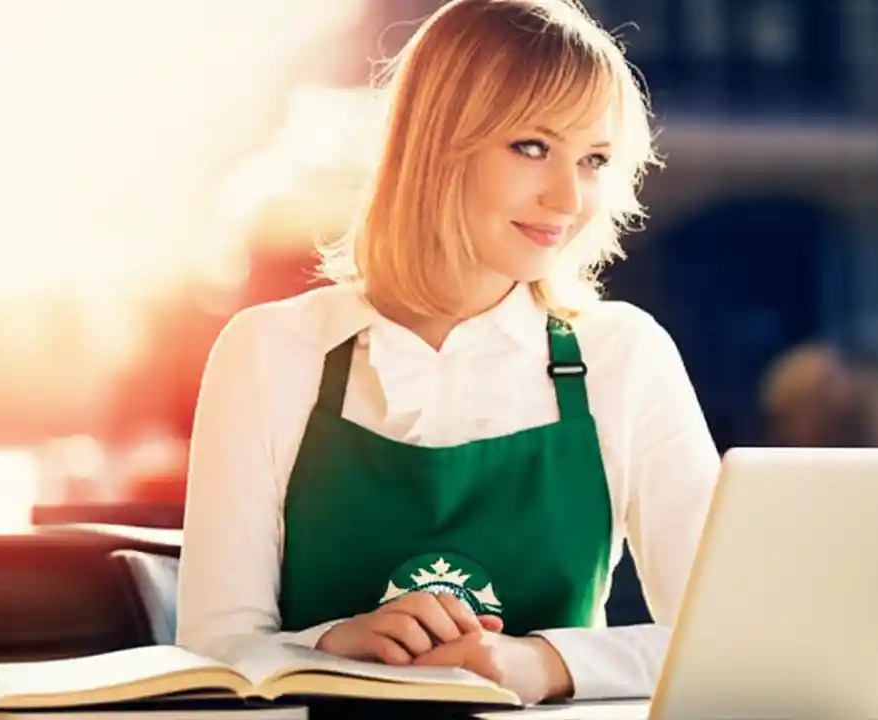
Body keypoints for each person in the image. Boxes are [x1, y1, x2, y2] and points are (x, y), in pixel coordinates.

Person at [179, 0, 718, 704]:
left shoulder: (626, 356)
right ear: (434, 142)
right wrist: (332, 646)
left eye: (593, 160)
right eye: (532, 147)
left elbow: (721, 640)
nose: (567, 196)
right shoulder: (269, 353)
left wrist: (545, 664)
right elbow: (210, 654)